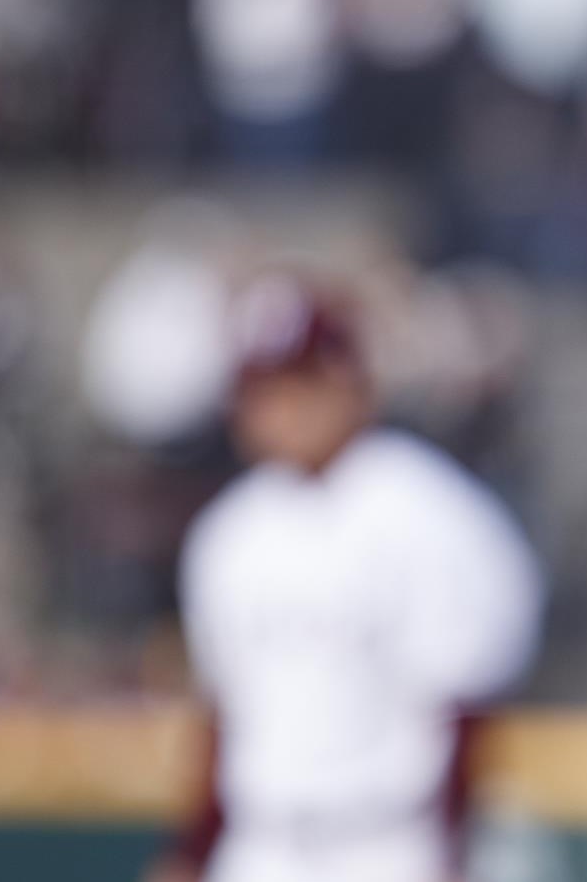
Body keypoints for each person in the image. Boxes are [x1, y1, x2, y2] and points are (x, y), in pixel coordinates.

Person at [147, 276, 542, 882]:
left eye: (302, 383)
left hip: (386, 845)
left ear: (351, 380)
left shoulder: (432, 513)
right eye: (264, 390)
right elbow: (225, 715)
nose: (284, 410)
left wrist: (452, 859)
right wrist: (193, 853)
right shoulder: (228, 534)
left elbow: (467, 706)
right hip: (263, 845)